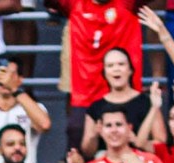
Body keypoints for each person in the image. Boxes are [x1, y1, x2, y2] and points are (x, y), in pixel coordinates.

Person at [51, 0, 143, 152]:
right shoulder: (75, 4)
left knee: (133, 139)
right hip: (85, 91)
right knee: (76, 132)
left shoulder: (127, 3)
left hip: (121, 94)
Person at [78, 47, 162, 158]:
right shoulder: (95, 107)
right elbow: (88, 152)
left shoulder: (148, 102)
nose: (116, 69)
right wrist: (94, 135)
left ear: (130, 70)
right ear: (105, 73)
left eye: (121, 64)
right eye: (110, 65)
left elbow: (161, 143)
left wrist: (138, 142)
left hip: (141, 161)